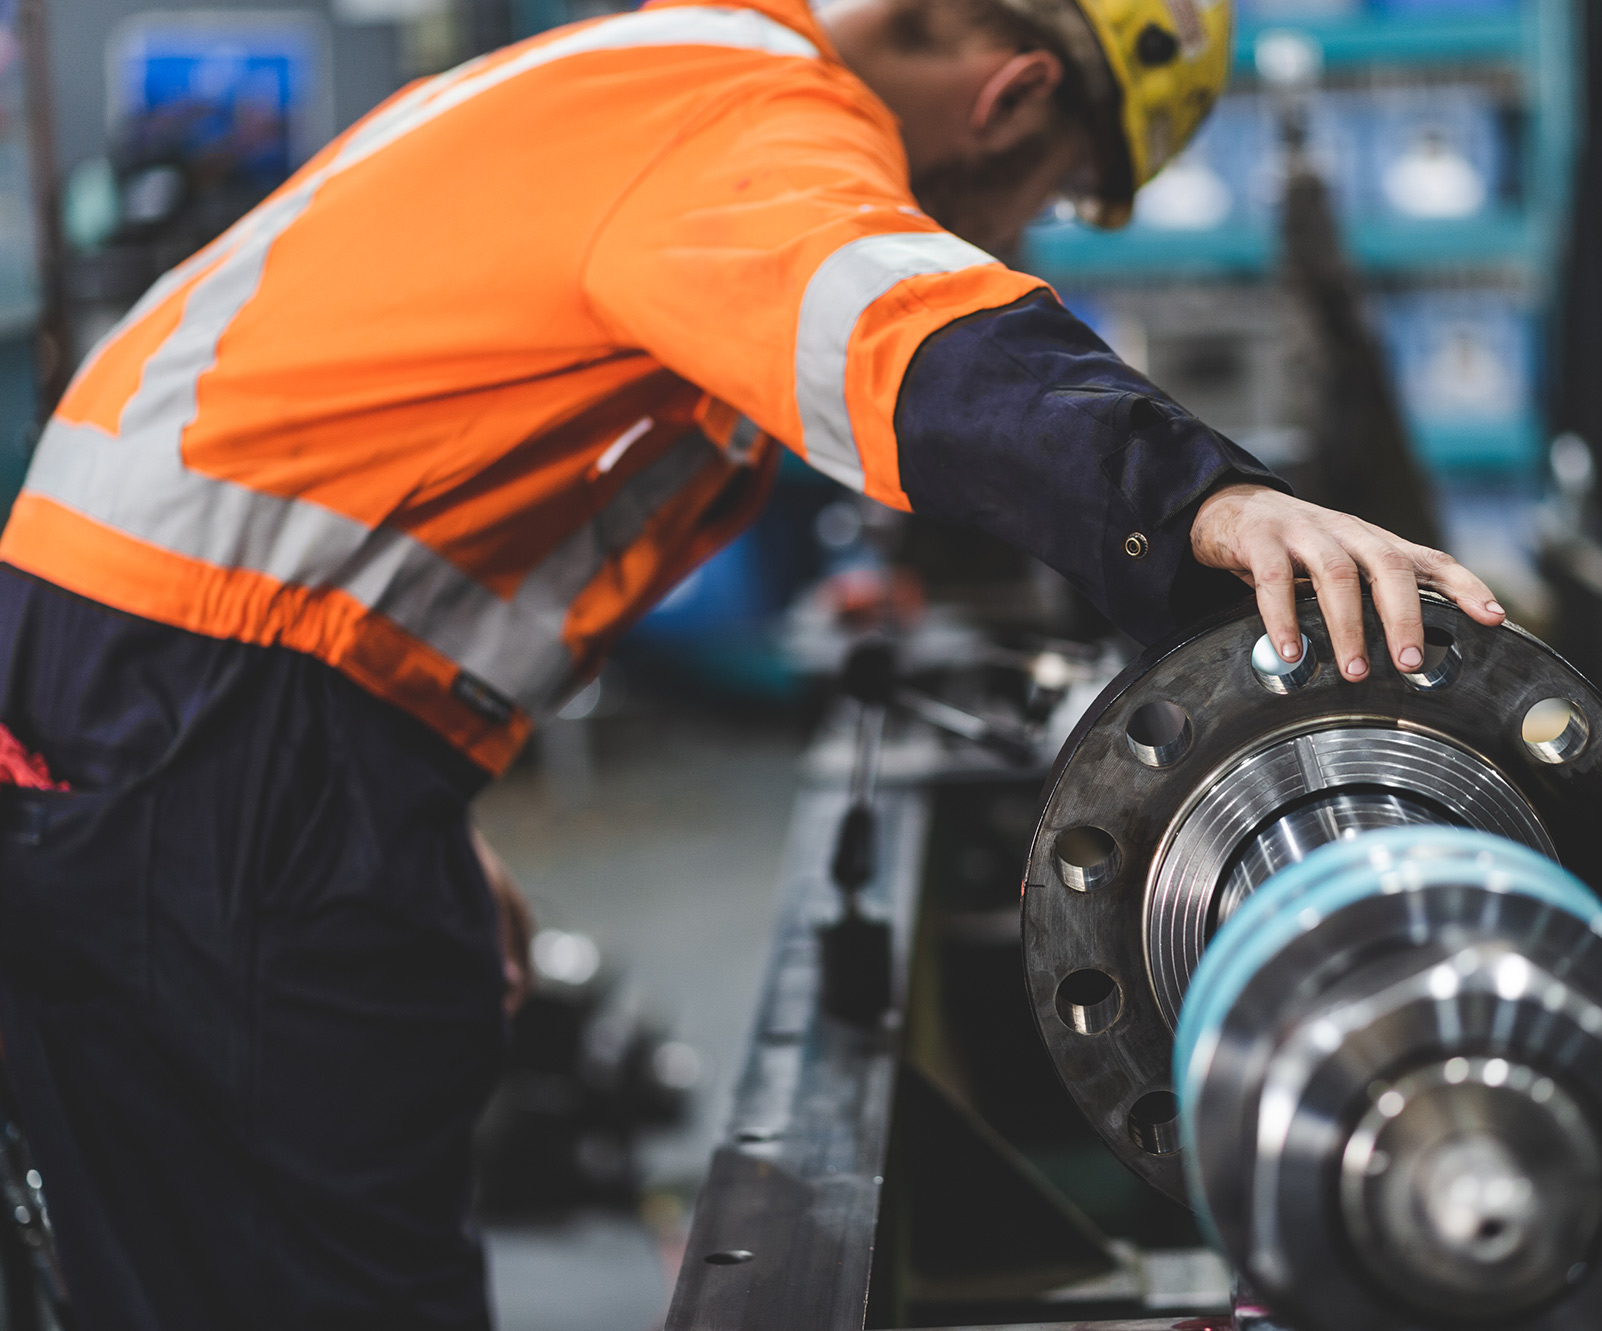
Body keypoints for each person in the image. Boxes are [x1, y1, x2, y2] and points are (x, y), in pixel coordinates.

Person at [0, 0, 1503, 1322]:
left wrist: (396, 791)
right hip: (204, 722)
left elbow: (378, 499)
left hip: (221, 707)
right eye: (1054, 195)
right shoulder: (743, 113)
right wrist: (1204, 504)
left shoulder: (663, 82)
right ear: (1014, 101)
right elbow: (907, 328)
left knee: (309, 1147)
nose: (1021, 234)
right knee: (290, 1262)